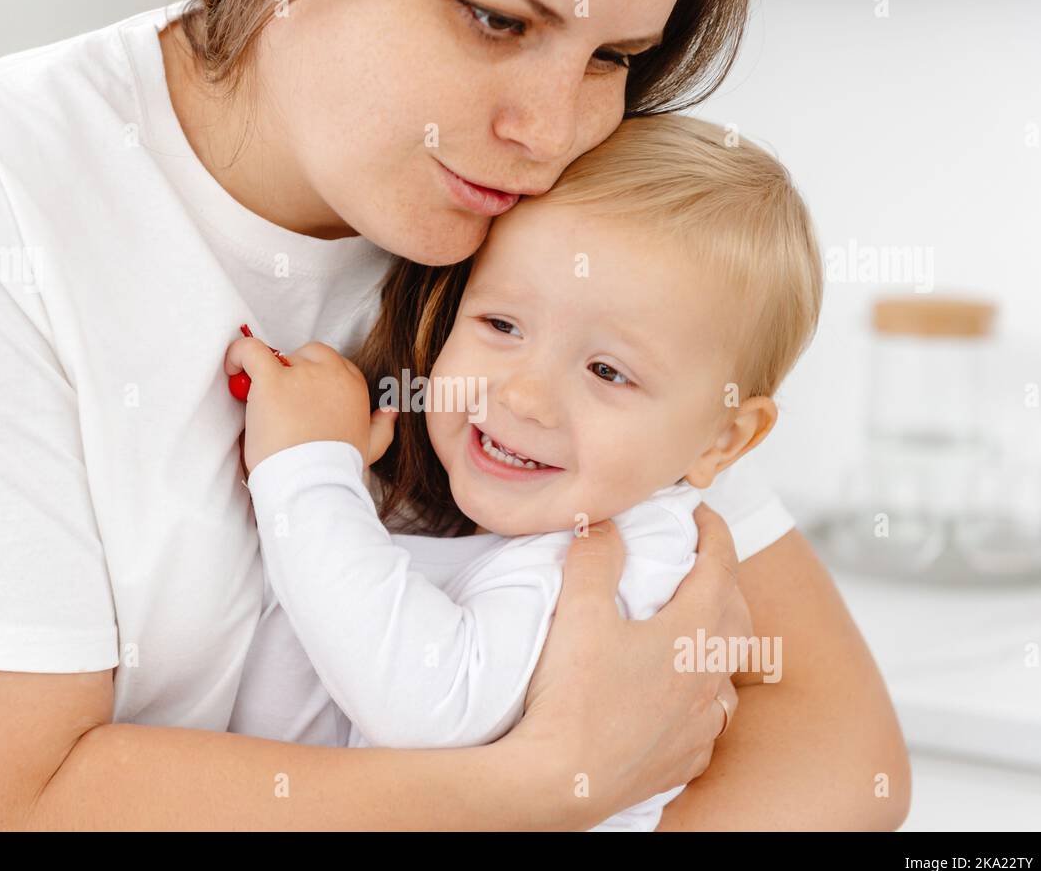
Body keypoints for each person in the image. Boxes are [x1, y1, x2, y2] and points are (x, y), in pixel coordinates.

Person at [0, 0, 909, 830]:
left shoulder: (533, 216)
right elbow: (9, 808)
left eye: (611, 54)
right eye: (495, 19)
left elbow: (834, 740)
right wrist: (534, 783)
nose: (549, 130)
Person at [226, 113, 823, 833]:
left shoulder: (623, 568)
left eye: (608, 371)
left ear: (722, 440)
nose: (522, 396)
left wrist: (306, 468)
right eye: (502, 325)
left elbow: (424, 704)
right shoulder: (554, 521)